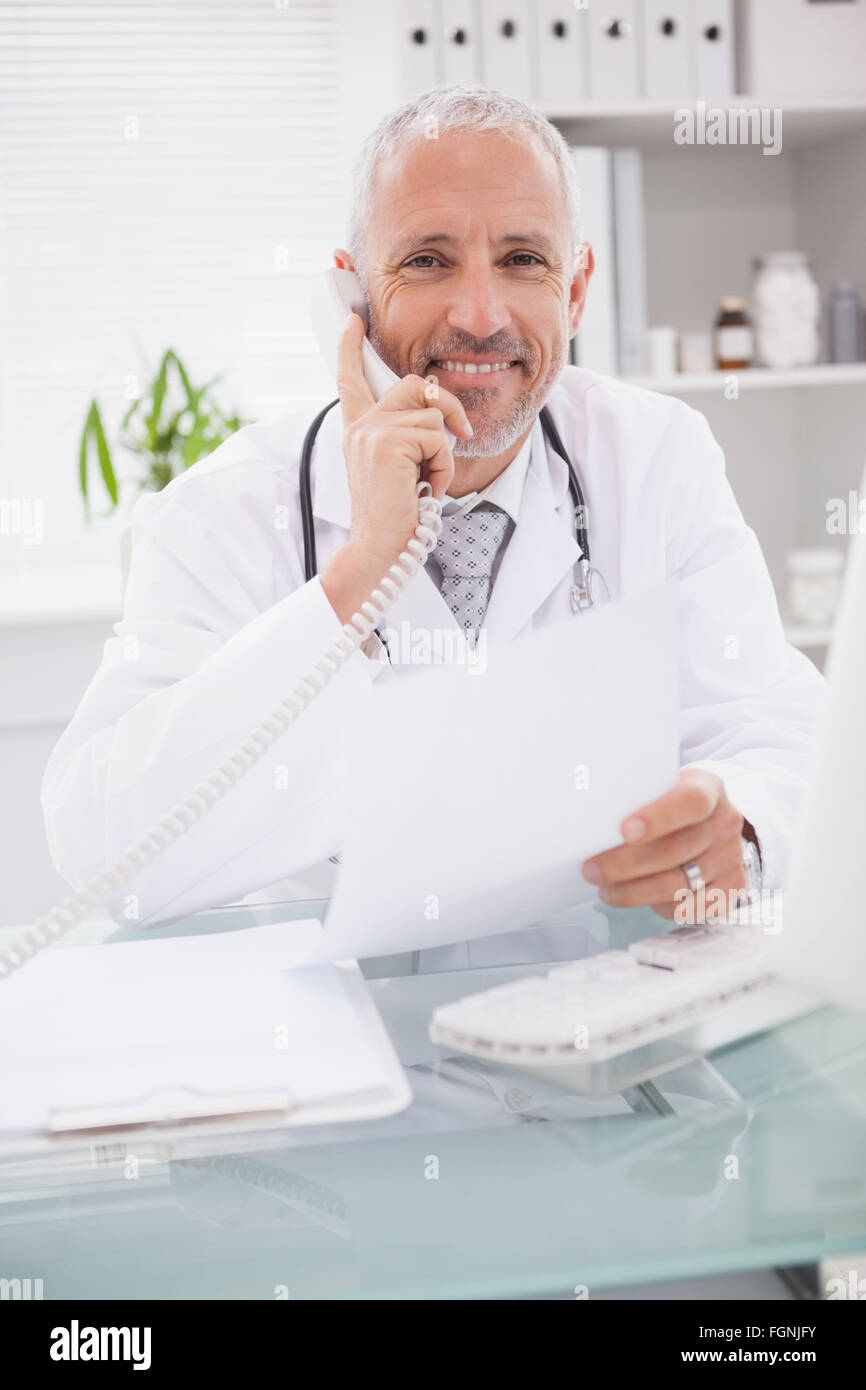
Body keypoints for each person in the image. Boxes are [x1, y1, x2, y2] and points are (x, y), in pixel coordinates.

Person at [41, 85, 826, 969]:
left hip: (591, 1037)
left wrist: (744, 826)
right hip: (329, 1053)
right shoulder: (219, 513)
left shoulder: (657, 458)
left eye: (524, 258)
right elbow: (105, 854)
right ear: (351, 296)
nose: (481, 316)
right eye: (427, 261)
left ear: (576, 289)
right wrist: (359, 576)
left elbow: (784, 733)